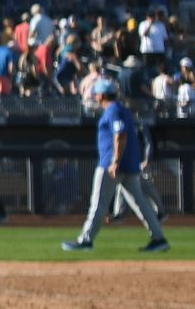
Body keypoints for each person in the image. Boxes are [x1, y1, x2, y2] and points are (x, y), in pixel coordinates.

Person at [63, 79, 168, 253]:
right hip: (128, 165)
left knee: (98, 204)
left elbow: (120, 135)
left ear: (102, 95)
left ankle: (85, 240)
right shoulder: (122, 109)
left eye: (96, 93)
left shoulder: (113, 110)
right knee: (139, 203)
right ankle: (159, 238)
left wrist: (115, 162)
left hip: (112, 165)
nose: (95, 96)